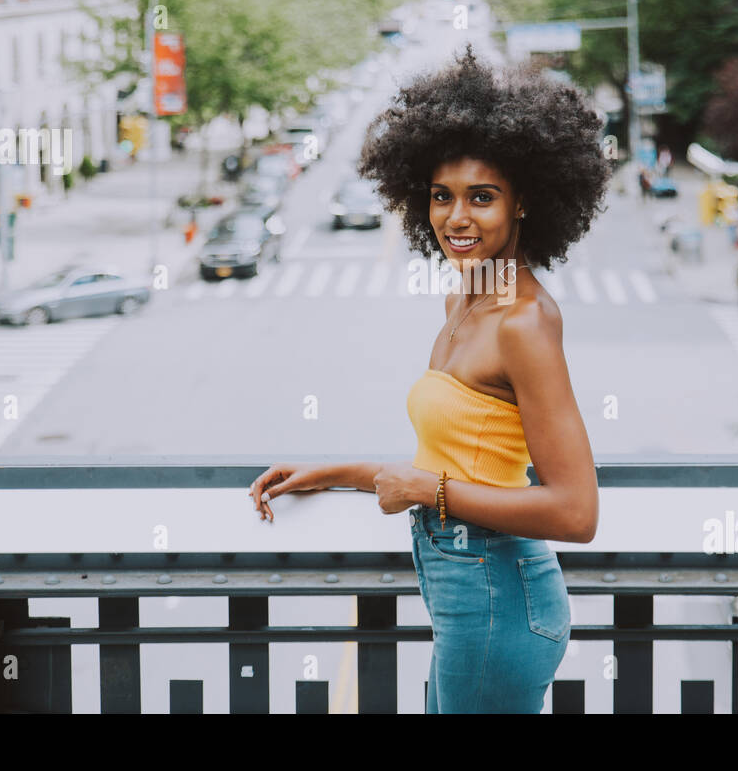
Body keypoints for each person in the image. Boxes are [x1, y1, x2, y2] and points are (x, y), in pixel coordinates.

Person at [249, 45, 605, 714]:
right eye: (441, 196)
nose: (456, 218)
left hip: (499, 601)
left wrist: (426, 490)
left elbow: (575, 510)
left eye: (482, 197)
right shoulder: (465, 300)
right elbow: (458, 454)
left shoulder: (525, 322)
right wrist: (326, 472)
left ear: (525, 201)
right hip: (469, 598)